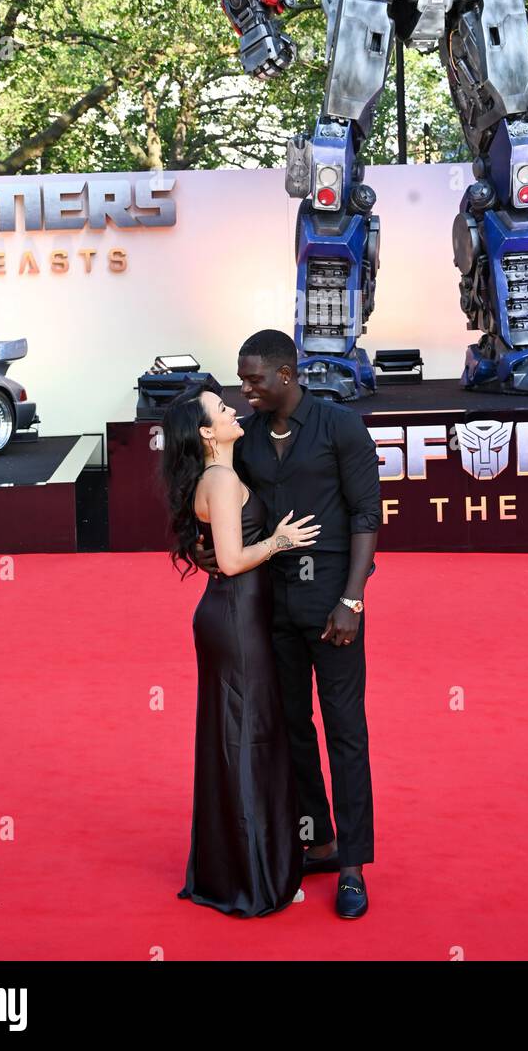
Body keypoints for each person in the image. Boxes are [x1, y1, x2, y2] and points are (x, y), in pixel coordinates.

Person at [195, 330, 382, 919]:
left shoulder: (338, 426)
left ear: (285, 374)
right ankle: (317, 838)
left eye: (253, 379)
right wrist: (206, 550)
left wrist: (352, 599)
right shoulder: (244, 440)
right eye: (240, 380)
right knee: (293, 732)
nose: (244, 389)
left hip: (332, 606)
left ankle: (351, 864)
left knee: (345, 731)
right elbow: (227, 517)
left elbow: (366, 515)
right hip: (268, 608)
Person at [161, 381, 320, 917]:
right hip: (235, 620)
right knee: (250, 742)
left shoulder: (217, 474)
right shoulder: (222, 479)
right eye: (222, 409)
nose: (234, 409)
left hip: (235, 617)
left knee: (241, 739)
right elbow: (229, 561)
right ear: (207, 432)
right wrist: (279, 541)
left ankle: (239, 868)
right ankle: (252, 879)